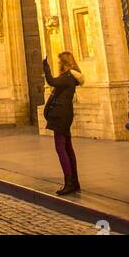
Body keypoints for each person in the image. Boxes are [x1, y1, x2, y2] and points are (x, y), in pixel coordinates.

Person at [42, 51, 84, 196]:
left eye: (60, 62)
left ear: (65, 63)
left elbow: (51, 82)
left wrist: (45, 66)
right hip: (65, 115)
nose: (59, 64)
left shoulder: (67, 77)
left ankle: (69, 182)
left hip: (60, 116)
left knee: (61, 149)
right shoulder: (70, 78)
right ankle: (75, 181)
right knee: (68, 147)